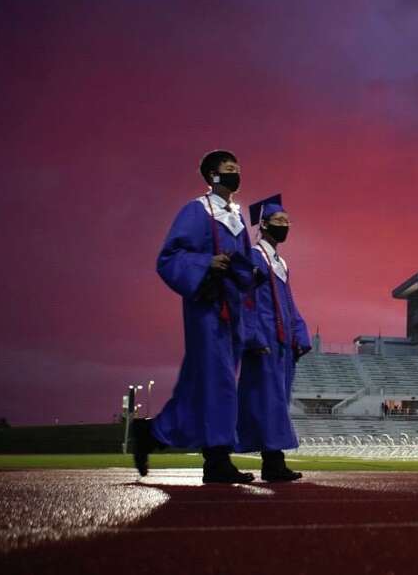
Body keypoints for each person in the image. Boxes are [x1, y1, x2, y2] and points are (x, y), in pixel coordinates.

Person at [131, 150, 254, 484]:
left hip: (232, 312)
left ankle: (152, 434)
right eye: (229, 170)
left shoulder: (237, 217)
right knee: (219, 380)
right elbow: (169, 257)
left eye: (238, 170)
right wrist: (205, 264)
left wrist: (249, 274)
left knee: (199, 385)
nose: (236, 175)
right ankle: (217, 459)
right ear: (213, 176)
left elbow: (243, 264)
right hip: (207, 305)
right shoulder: (197, 211)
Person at [230, 194, 311, 482]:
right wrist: (251, 336)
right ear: (263, 225)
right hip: (263, 340)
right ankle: (269, 462)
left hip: (282, 345)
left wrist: (300, 334)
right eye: (279, 221)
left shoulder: (281, 263)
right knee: (264, 402)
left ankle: (273, 463)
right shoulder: (254, 257)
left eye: (288, 221)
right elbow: (245, 299)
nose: (285, 226)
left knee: (276, 402)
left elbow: (289, 303)